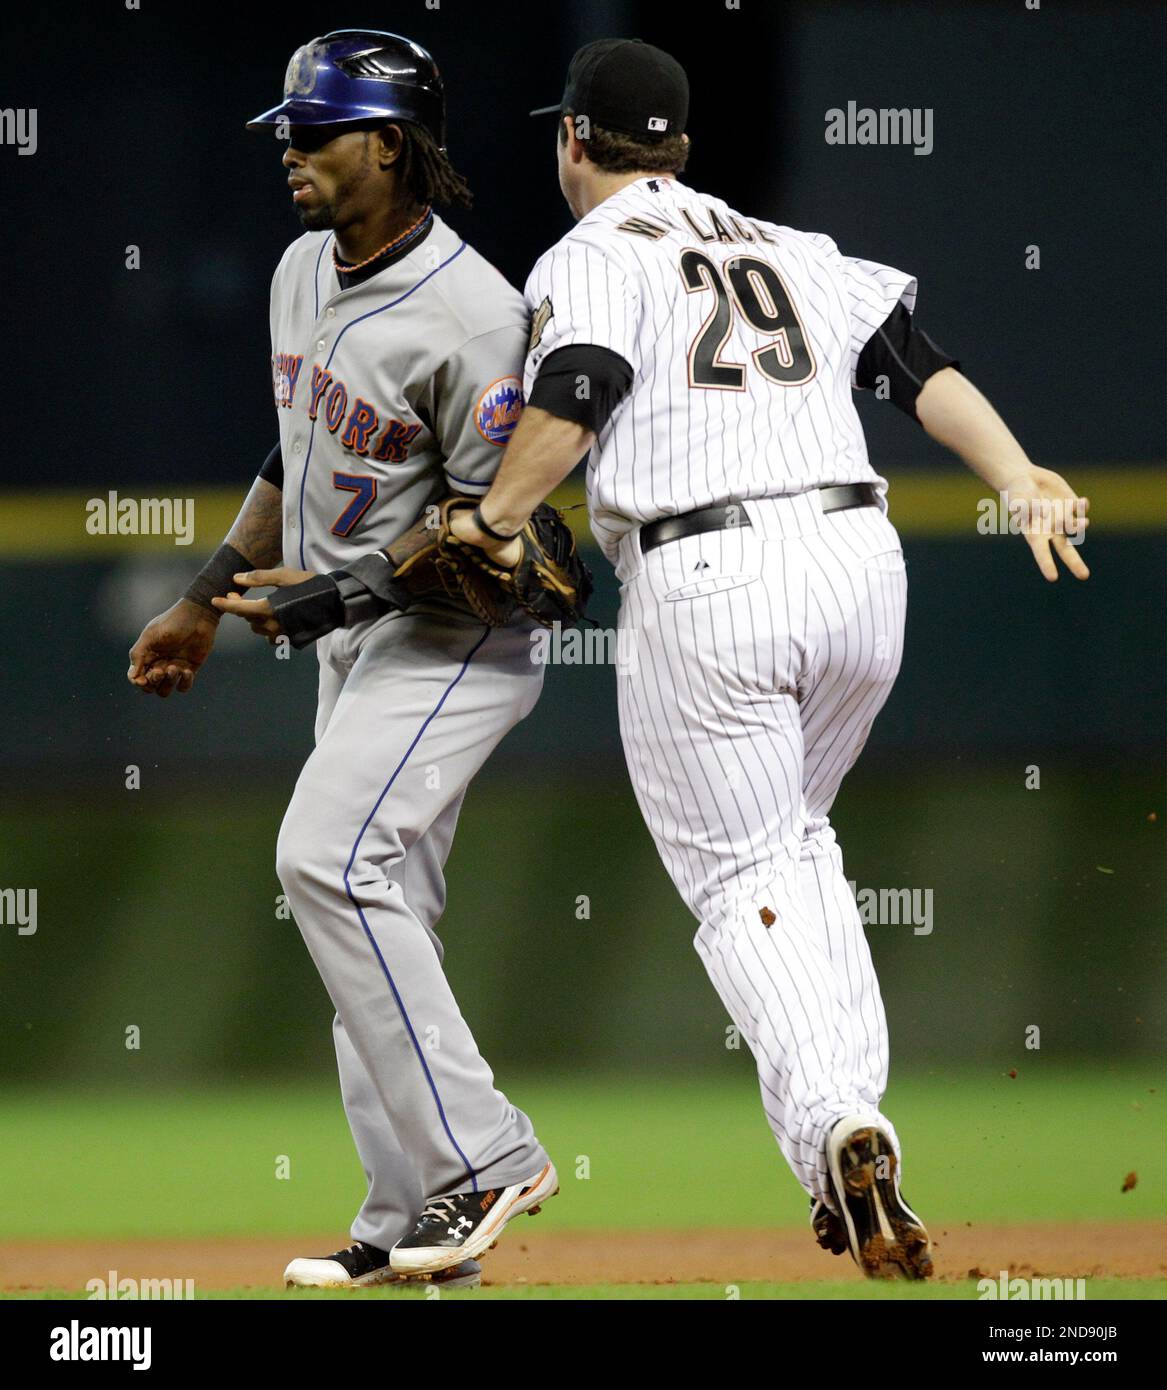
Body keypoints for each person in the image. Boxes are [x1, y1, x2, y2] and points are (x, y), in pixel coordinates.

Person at [445, 37, 1090, 1279]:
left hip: (712, 572)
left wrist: (490, 514)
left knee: (743, 870)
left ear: (574, 140)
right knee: (797, 845)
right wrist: (1015, 475)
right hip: (859, 563)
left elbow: (578, 385)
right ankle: (847, 1142)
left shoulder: (588, 254)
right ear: (678, 147)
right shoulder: (790, 247)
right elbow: (913, 365)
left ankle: (838, 1124)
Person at [126, 30, 558, 1290]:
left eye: (315, 132)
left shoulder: (476, 313)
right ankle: (415, 1215)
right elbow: (292, 454)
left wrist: (335, 595)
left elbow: (493, 531)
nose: (291, 151)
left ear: (389, 144)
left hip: (456, 638)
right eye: (287, 131)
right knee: (373, 916)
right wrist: (206, 596)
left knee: (322, 858)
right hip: (351, 643)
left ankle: (485, 1155)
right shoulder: (299, 269)